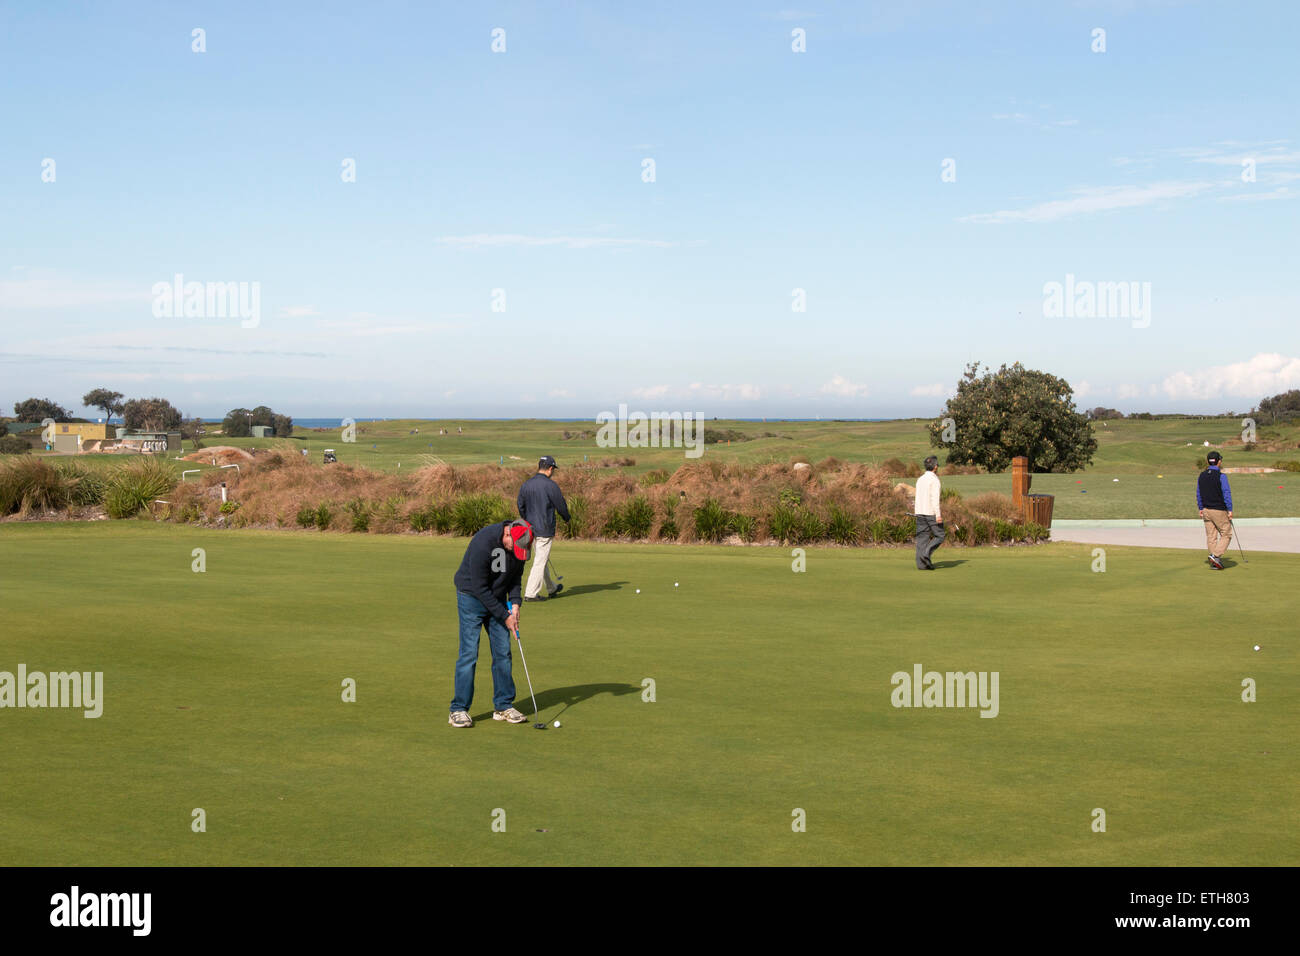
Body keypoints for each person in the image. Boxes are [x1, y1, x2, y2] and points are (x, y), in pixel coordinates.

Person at [448, 518, 534, 727]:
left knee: (503, 652)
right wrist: (504, 616)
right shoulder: (483, 541)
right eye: (514, 547)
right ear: (507, 534)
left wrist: (514, 605)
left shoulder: (521, 542)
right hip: (471, 598)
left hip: (497, 600)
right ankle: (458, 709)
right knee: (469, 653)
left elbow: (515, 579)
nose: (518, 552)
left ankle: (503, 706)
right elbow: (479, 587)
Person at [517, 455, 570, 601]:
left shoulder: (526, 484)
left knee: (542, 558)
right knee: (540, 561)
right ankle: (531, 593)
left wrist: (526, 520)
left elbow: (520, 505)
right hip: (545, 529)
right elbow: (561, 505)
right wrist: (567, 518)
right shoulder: (551, 485)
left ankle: (551, 588)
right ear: (550, 468)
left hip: (530, 529)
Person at [1197, 451, 1234, 570]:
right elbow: (1226, 493)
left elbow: (1199, 493)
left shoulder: (1201, 475)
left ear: (1208, 461)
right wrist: (1230, 509)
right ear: (1219, 462)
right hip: (1218, 510)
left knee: (1211, 536)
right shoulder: (1221, 476)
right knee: (1226, 533)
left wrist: (1200, 508)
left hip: (1206, 510)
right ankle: (1216, 556)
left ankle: (1214, 563)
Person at [914, 455, 945, 570]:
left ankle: (922, 565)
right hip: (931, 513)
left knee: (922, 538)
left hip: (920, 512)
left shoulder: (920, 479)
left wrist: (917, 511)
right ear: (935, 467)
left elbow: (918, 497)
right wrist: (938, 515)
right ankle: (926, 554)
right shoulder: (935, 480)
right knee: (940, 535)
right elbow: (935, 499)